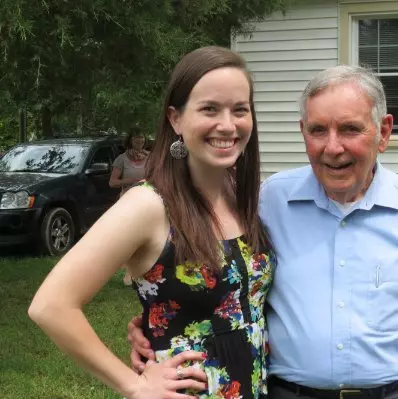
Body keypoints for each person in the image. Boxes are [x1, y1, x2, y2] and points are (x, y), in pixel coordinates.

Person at [129, 64, 398, 398]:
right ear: (303, 132)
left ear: (383, 132)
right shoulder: (269, 200)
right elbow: (228, 277)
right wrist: (153, 323)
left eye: (349, 129)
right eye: (317, 130)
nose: (332, 147)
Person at [28, 45, 275, 399]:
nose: (227, 124)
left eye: (240, 109)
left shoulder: (243, 195)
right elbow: (51, 305)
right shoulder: (149, 205)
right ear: (176, 119)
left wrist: (148, 322)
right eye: (209, 109)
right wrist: (133, 385)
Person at [109, 129, 150, 286]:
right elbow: (112, 182)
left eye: (141, 138)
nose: (139, 141)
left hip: (148, 201)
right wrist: (135, 179)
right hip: (128, 201)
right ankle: (129, 273)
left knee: (145, 239)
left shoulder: (150, 157)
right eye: (136, 138)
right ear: (130, 140)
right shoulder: (122, 159)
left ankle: (142, 272)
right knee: (130, 238)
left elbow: (159, 175)